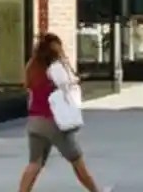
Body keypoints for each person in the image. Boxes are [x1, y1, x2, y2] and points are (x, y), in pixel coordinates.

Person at [17, 34, 110, 192]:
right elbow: (67, 85)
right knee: (77, 160)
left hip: (35, 120)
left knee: (34, 163)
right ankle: (96, 191)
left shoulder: (32, 66)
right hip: (55, 121)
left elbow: (28, 87)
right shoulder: (56, 67)